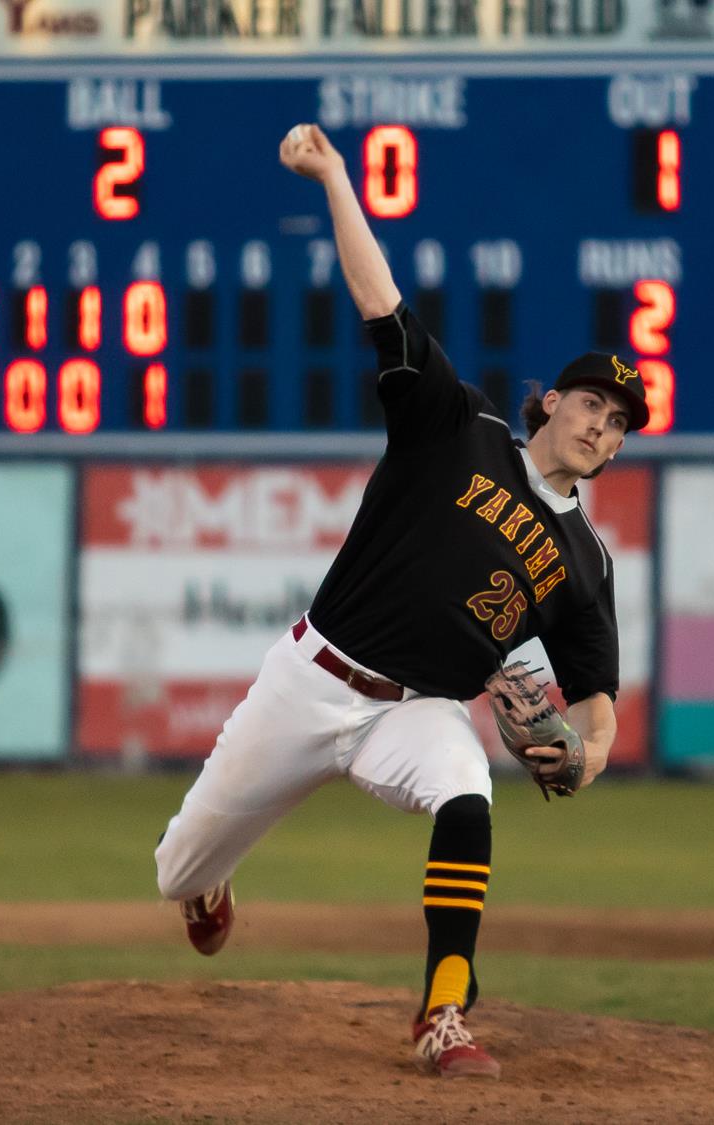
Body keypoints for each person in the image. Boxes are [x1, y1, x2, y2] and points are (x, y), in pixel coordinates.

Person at [151, 122, 646, 1080]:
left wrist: (584, 759)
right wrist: (337, 176)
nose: (603, 427)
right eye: (592, 404)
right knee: (177, 866)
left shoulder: (585, 561)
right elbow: (382, 303)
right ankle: (207, 886)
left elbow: (599, 700)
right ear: (551, 403)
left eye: (620, 423)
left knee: (469, 791)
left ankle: (442, 1012)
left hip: (414, 711)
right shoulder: (455, 425)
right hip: (310, 677)